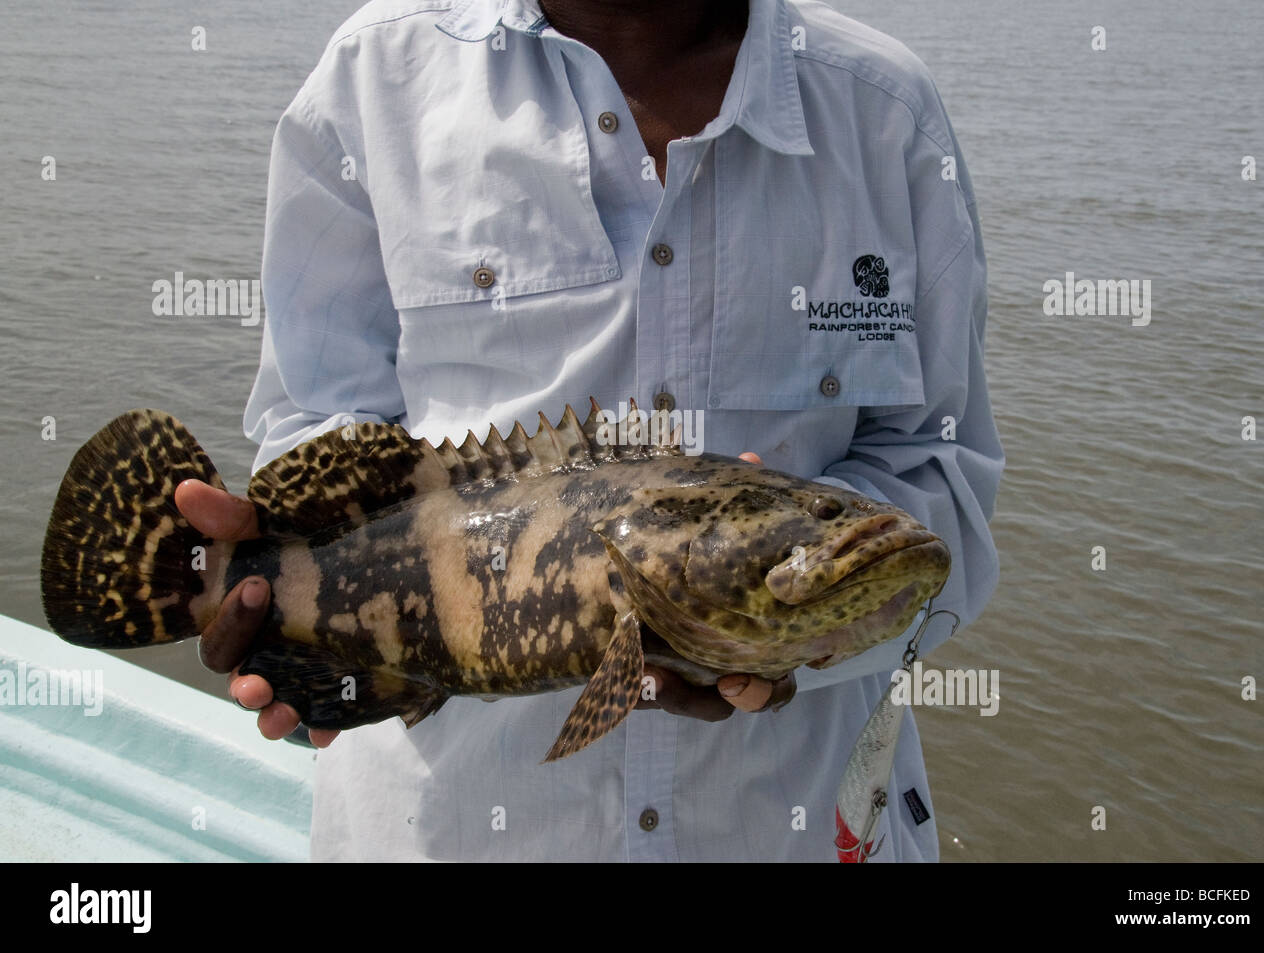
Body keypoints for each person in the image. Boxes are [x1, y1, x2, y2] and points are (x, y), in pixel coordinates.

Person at [176, 0, 1002, 861]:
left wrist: (775, 640)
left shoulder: (884, 111)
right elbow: (312, 430)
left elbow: (947, 489)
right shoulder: (371, 78)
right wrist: (280, 608)